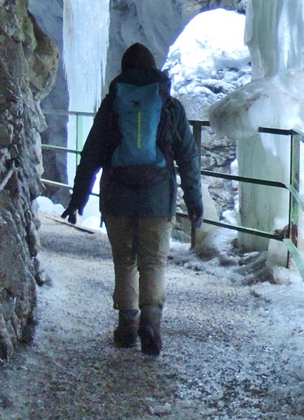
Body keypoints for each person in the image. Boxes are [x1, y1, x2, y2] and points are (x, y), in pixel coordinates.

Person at [63, 43, 203, 356]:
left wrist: (78, 199)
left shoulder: (113, 104)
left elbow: (91, 156)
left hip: (117, 197)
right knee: (153, 261)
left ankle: (127, 327)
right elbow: (188, 158)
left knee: (125, 260)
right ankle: (151, 322)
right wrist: (195, 201)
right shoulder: (170, 106)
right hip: (157, 196)